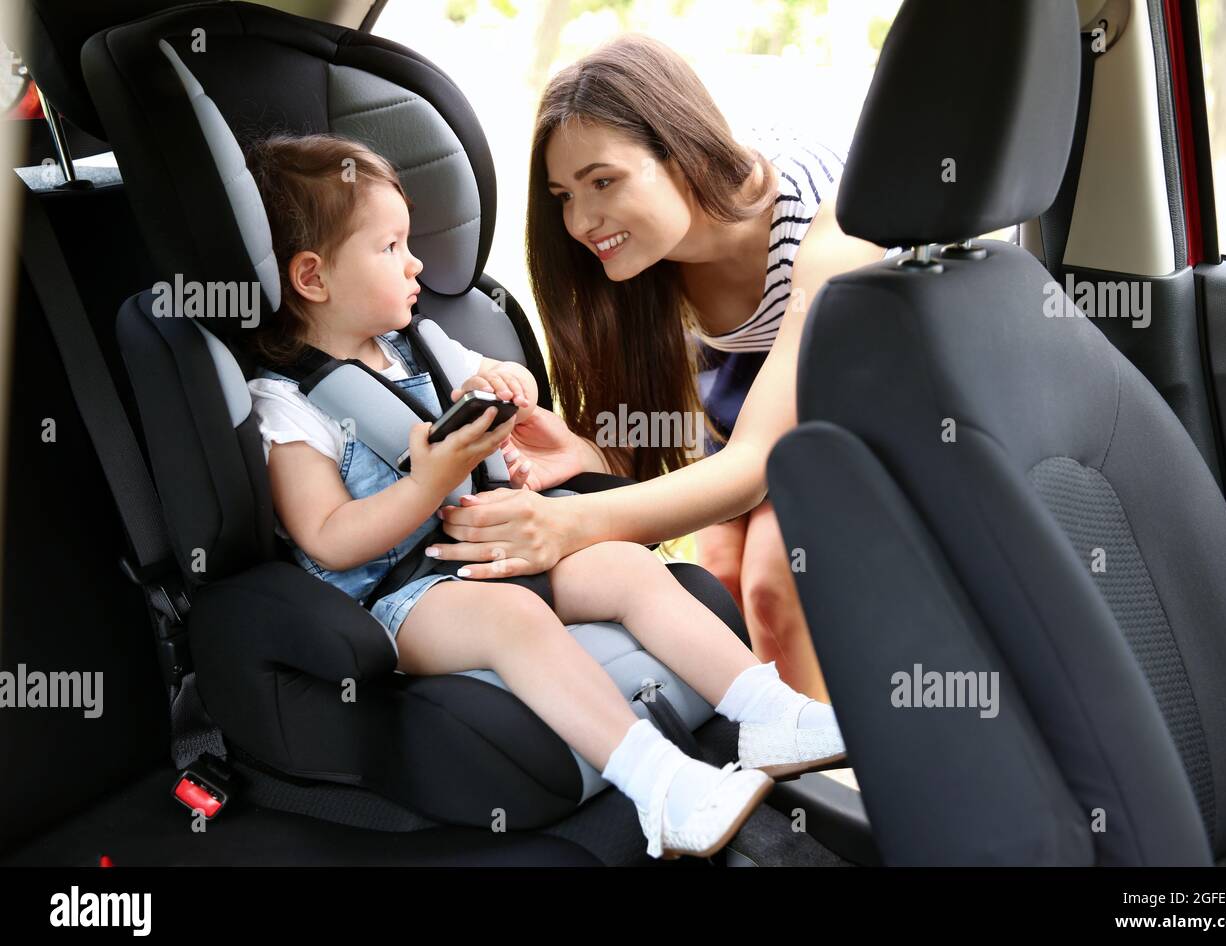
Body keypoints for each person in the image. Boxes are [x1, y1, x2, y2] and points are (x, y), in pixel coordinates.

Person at [240, 132, 847, 860]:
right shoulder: (287, 404)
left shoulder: (424, 344)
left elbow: (504, 380)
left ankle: (769, 710)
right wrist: (430, 480)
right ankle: (661, 788)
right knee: (518, 618)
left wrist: (512, 390)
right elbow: (328, 537)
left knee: (626, 567)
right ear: (312, 277)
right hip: (403, 599)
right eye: (391, 248)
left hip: (487, 552)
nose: (417, 263)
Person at [433, 35, 886, 702]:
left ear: (682, 152)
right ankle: (773, 757)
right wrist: (588, 453)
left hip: (877, 377)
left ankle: (821, 782)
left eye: (603, 182)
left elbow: (756, 458)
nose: (581, 221)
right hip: (753, 375)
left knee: (772, 574)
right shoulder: (645, 264)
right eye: (563, 194)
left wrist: (562, 528)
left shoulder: (831, 229)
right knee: (724, 571)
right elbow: (662, 448)